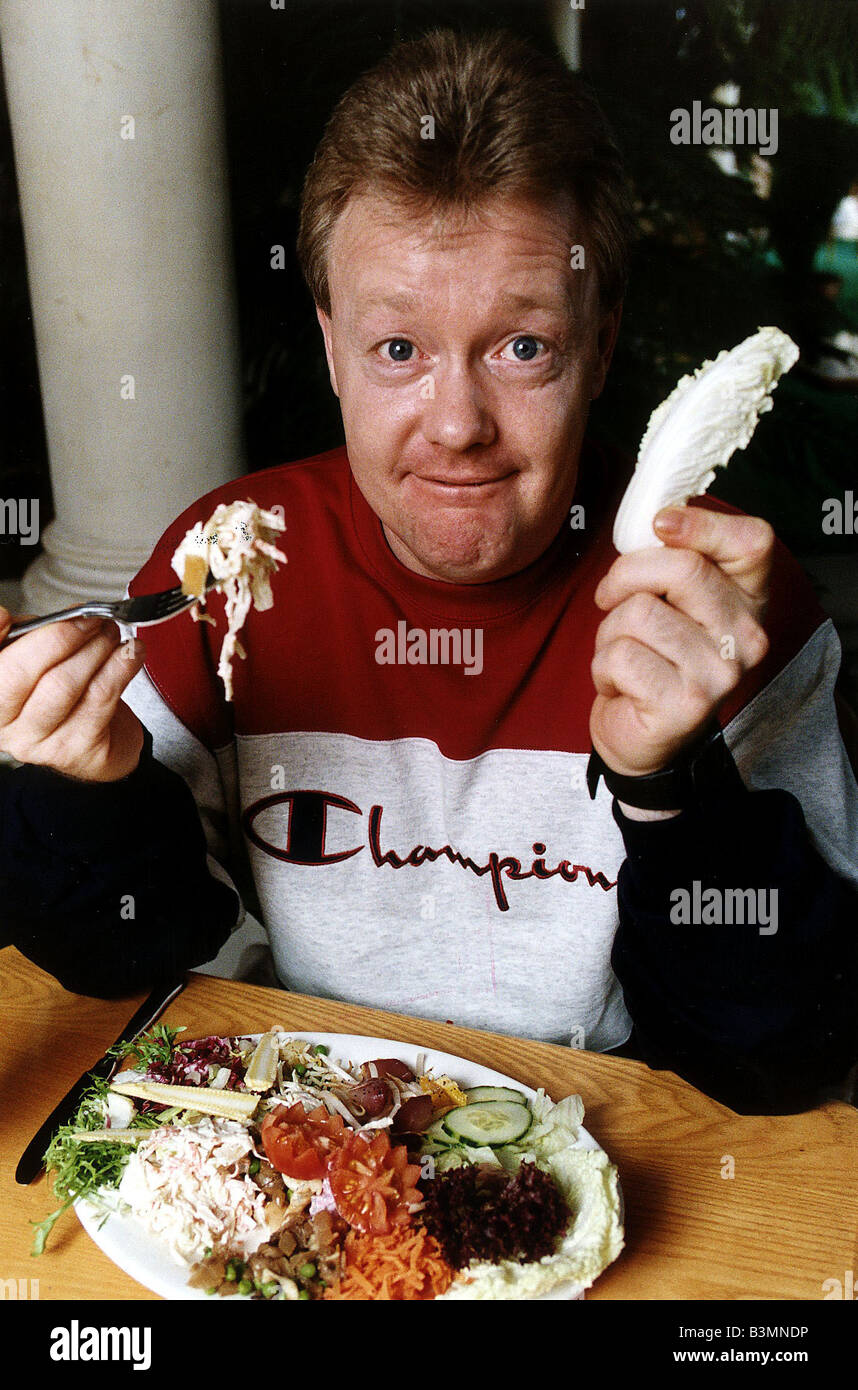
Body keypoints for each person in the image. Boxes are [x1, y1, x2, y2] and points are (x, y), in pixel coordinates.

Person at [1, 30, 856, 1114]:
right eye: (397, 350)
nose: (457, 426)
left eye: (522, 348)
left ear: (601, 343)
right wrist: (91, 795)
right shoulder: (225, 566)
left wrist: (667, 790)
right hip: (293, 1156)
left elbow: (788, 1054)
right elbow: (133, 955)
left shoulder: (729, 603)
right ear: (329, 346)